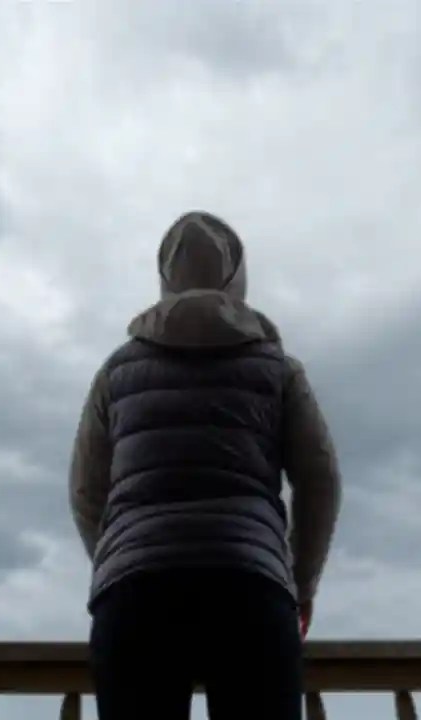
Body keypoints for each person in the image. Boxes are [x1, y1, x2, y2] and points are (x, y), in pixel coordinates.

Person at [68, 210, 343, 720]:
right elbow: (320, 478)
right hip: (251, 589)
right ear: (237, 276)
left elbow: (86, 491)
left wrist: (118, 564)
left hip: (133, 598)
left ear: (164, 276)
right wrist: (300, 584)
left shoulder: (116, 370)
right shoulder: (278, 368)